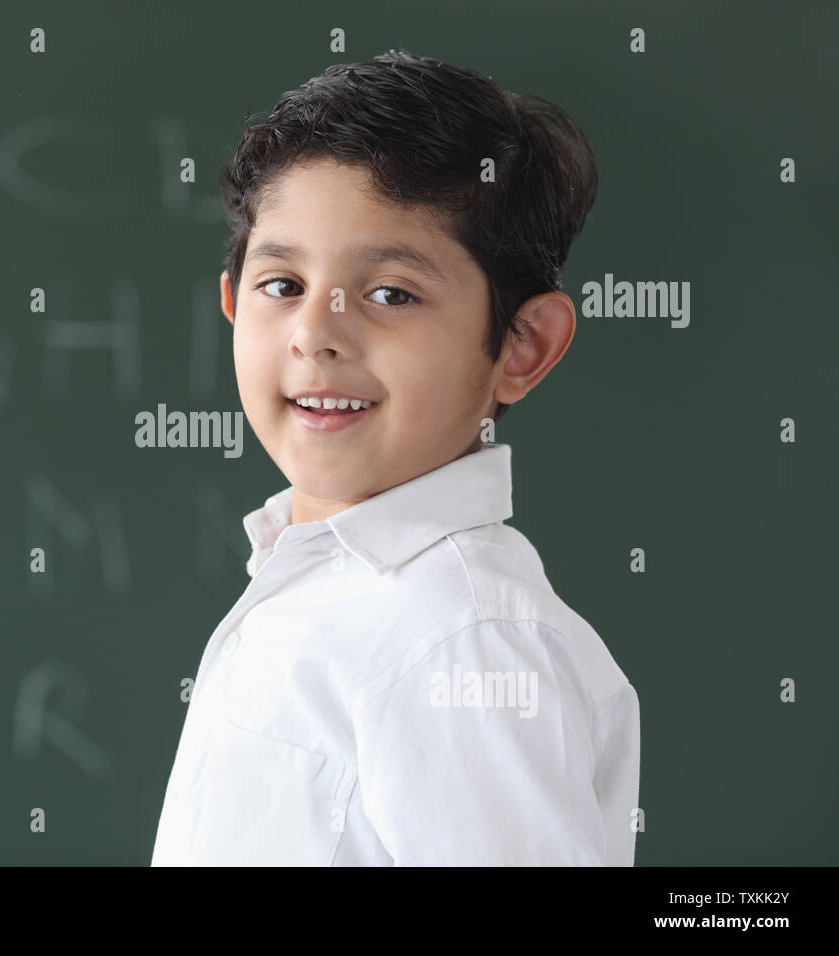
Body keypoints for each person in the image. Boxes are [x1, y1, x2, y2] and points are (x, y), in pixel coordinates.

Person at [151, 49, 640, 866]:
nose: (317, 333)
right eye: (282, 285)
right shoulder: (317, 585)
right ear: (234, 302)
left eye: (391, 294)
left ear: (522, 346)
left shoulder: (464, 642)